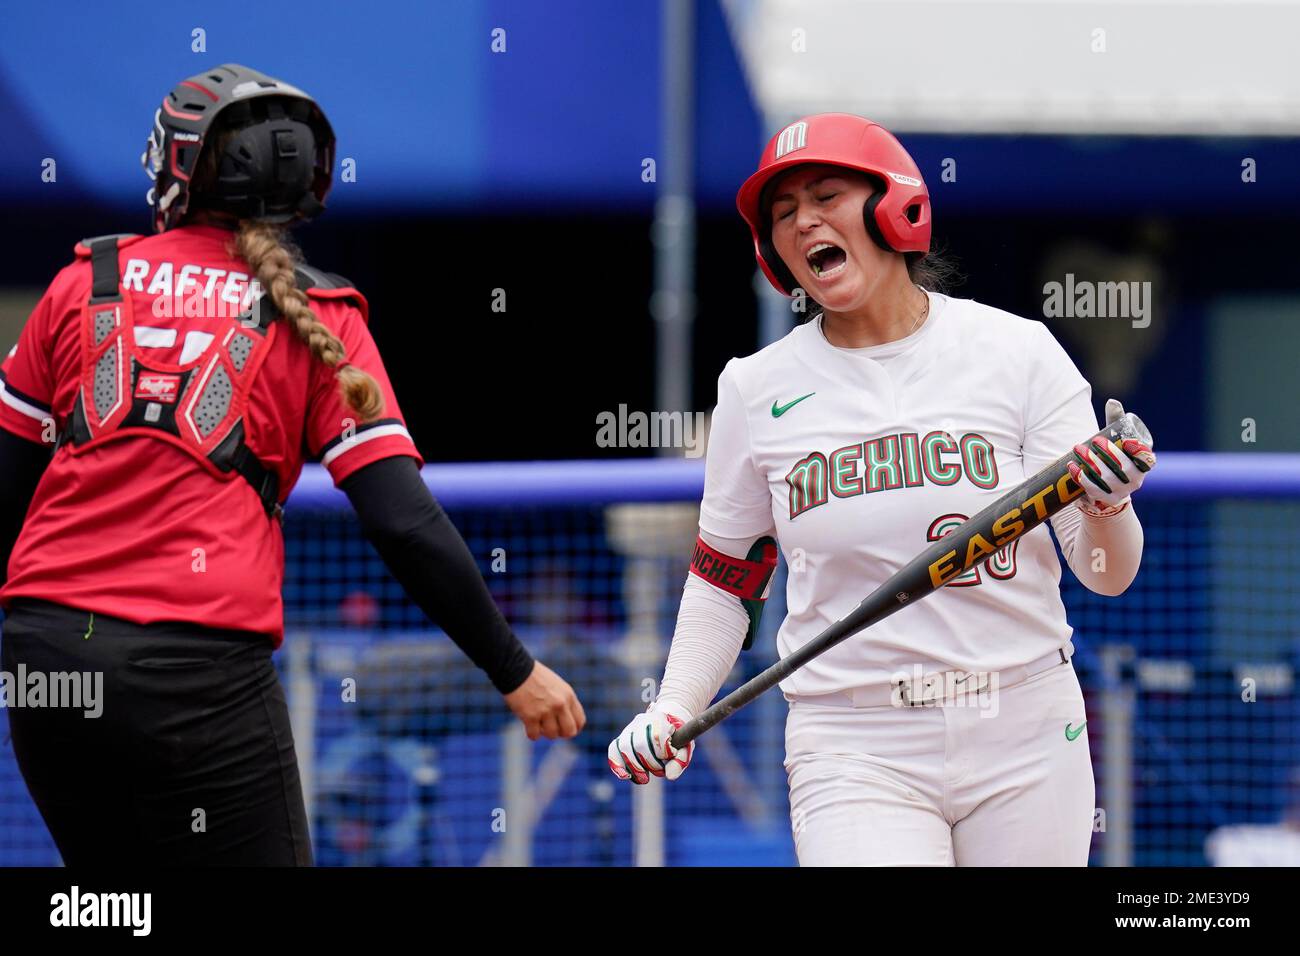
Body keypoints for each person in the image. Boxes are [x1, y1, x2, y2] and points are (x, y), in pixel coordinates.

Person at [0, 63, 584, 866]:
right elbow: (401, 520)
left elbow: (9, 487)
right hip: (196, 664)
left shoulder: (83, 282)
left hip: (49, 655)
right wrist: (513, 670)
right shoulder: (323, 316)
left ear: (176, 166)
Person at [607, 113, 1155, 866]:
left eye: (826, 196)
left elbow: (1108, 575)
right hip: (853, 741)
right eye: (783, 214)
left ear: (895, 207)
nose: (804, 223)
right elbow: (726, 579)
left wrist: (1107, 504)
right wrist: (673, 704)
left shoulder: (1016, 351)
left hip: (1024, 723)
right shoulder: (754, 388)